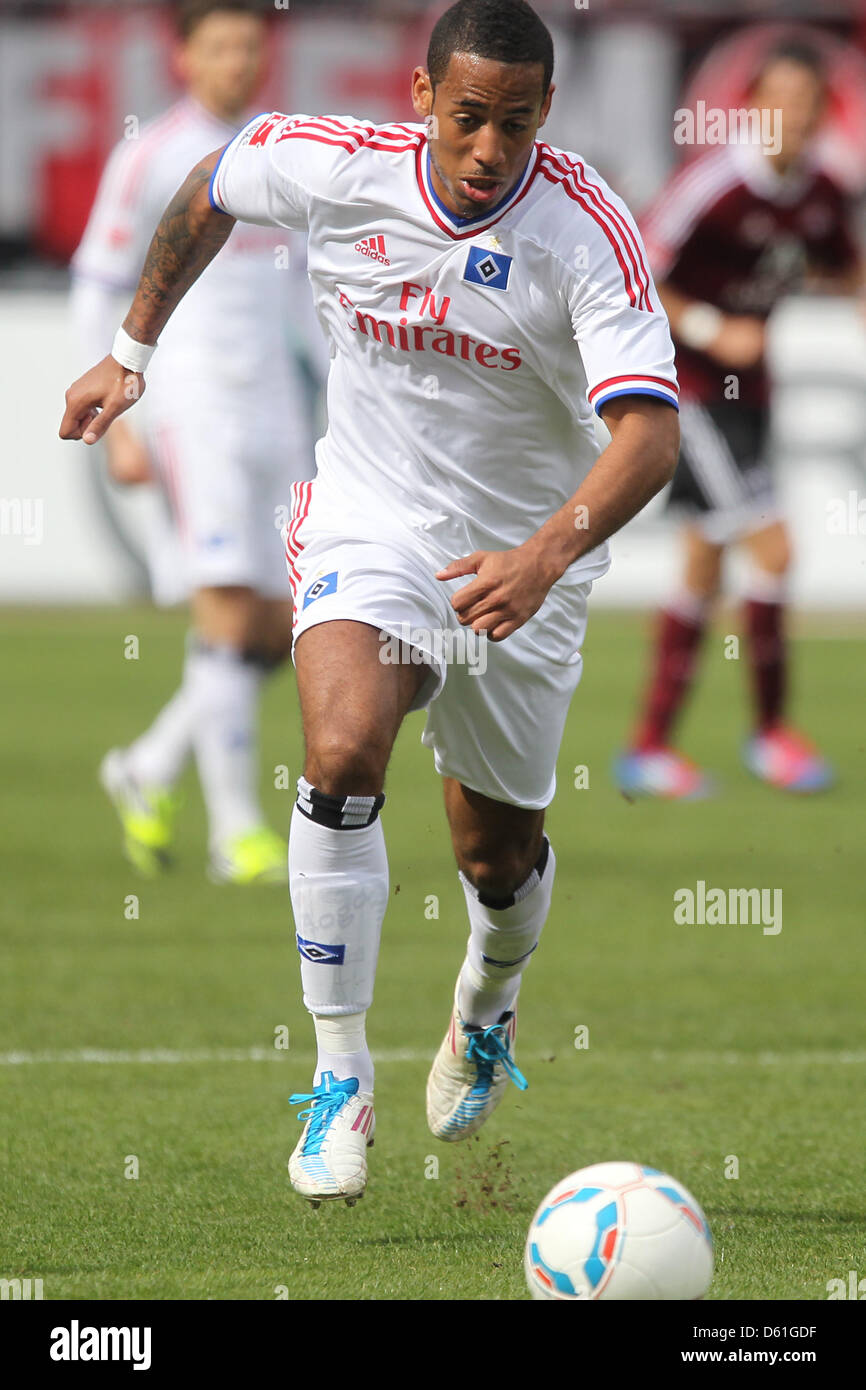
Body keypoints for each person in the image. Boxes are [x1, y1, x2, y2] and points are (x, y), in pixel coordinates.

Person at [60, 0, 680, 1206]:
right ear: (420, 97)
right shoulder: (335, 167)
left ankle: (485, 1003)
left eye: (511, 123)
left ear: (544, 114)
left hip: (522, 563)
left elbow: (649, 435)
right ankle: (340, 1071)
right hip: (372, 522)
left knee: (491, 857)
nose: (486, 146)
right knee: (341, 752)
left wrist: (548, 554)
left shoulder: (584, 232)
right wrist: (129, 355)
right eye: (465, 117)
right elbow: (208, 185)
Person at [71, 0, 320, 882]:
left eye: (250, 44)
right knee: (223, 601)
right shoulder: (149, 157)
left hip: (279, 413)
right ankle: (236, 833)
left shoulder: (280, 154)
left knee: (286, 622)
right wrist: (121, 420)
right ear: (182, 57)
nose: (237, 61)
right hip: (191, 407)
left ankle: (148, 766)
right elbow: (96, 283)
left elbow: (302, 294)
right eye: (218, 45)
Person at [615, 39, 865, 800]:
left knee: (705, 559)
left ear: (824, 111)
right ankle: (771, 735)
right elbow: (638, 278)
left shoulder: (824, 186)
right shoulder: (714, 187)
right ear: (753, 107)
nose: (791, 115)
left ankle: (649, 749)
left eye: (806, 102)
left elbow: (842, 264)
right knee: (776, 549)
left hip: (751, 394)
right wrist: (711, 330)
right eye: (778, 100)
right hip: (689, 388)